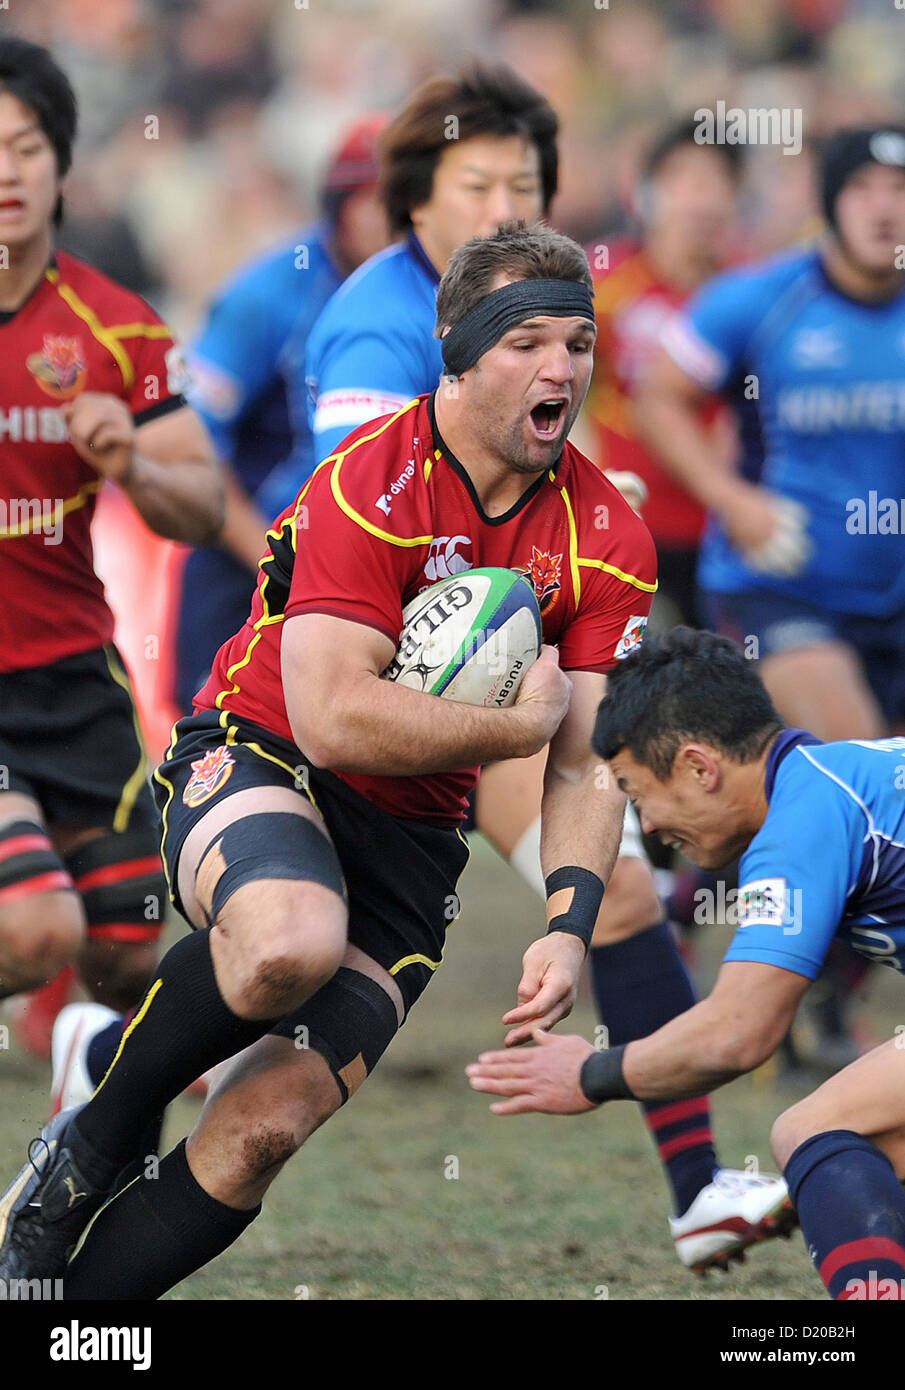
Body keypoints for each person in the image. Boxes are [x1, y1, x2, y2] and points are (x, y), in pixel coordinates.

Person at [0, 222, 656, 1299]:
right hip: (263, 756)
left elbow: (585, 757)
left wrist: (567, 920)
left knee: (264, 1125)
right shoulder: (370, 479)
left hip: (410, 845)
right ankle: (85, 1149)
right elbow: (334, 717)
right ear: (455, 347)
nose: (561, 370)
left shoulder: (602, 535)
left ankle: (70, 1315)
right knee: (285, 943)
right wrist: (515, 725)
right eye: (527, 341)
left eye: (576, 344)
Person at [305, 68, 783, 1264]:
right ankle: (109, 1064)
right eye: (479, 182)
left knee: (609, 884)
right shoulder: (377, 320)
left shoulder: (547, 322)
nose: (501, 200)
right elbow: (388, 532)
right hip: (363, 685)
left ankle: (695, 1190)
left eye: (523, 183)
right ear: (415, 200)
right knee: (279, 968)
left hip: (492, 684)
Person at [47, 115, 390, 1112]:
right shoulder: (269, 291)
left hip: (352, 593)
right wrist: (276, 562)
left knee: (336, 825)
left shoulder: (438, 297)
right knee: (247, 808)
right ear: (343, 200)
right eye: (381, 195)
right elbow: (196, 442)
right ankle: (130, 1038)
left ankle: (152, 1038)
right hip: (245, 582)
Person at [467, 627, 905, 1298]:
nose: (647, 826)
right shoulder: (842, 779)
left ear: (699, 767)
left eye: (639, 796)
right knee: (875, 1154)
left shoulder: (801, 823)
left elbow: (737, 1031)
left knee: (816, 1130)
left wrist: (590, 1072)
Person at [637, 124, 905, 1074]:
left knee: (843, 807)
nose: (888, 207)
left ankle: (724, 941)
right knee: (850, 773)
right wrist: (735, 502)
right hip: (781, 590)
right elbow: (658, 392)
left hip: (893, 598)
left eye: (902, 188)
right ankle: (784, 1004)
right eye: (868, 186)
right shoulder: (762, 299)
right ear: (831, 201)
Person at [0, 41, 221, 1022]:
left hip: (74, 674)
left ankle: (62, 1046)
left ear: (61, 164)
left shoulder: (117, 326)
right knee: (34, 926)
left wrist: (130, 458)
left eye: (26, 148)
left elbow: (203, 504)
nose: (7, 171)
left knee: (129, 945)